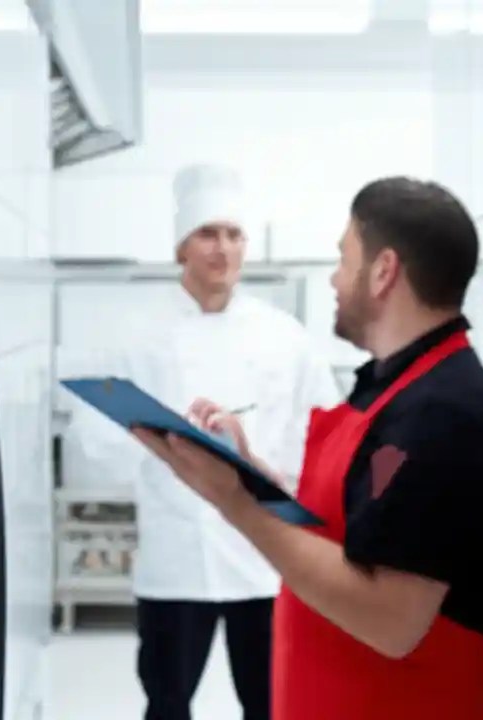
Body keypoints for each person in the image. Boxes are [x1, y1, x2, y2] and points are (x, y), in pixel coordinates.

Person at [133, 177, 483, 719]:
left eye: (344, 259)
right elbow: (348, 527)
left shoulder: (443, 415)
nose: (333, 278)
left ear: (384, 271)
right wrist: (249, 471)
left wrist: (235, 501)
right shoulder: (393, 387)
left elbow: (392, 620)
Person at [77, 163, 342, 720]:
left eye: (233, 234)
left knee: (271, 704)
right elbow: (93, 438)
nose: (222, 248)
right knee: (167, 703)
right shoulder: (136, 335)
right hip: (176, 554)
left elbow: (326, 430)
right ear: (181, 247)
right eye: (207, 234)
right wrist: (156, 440)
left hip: (265, 555)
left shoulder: (284, 336)